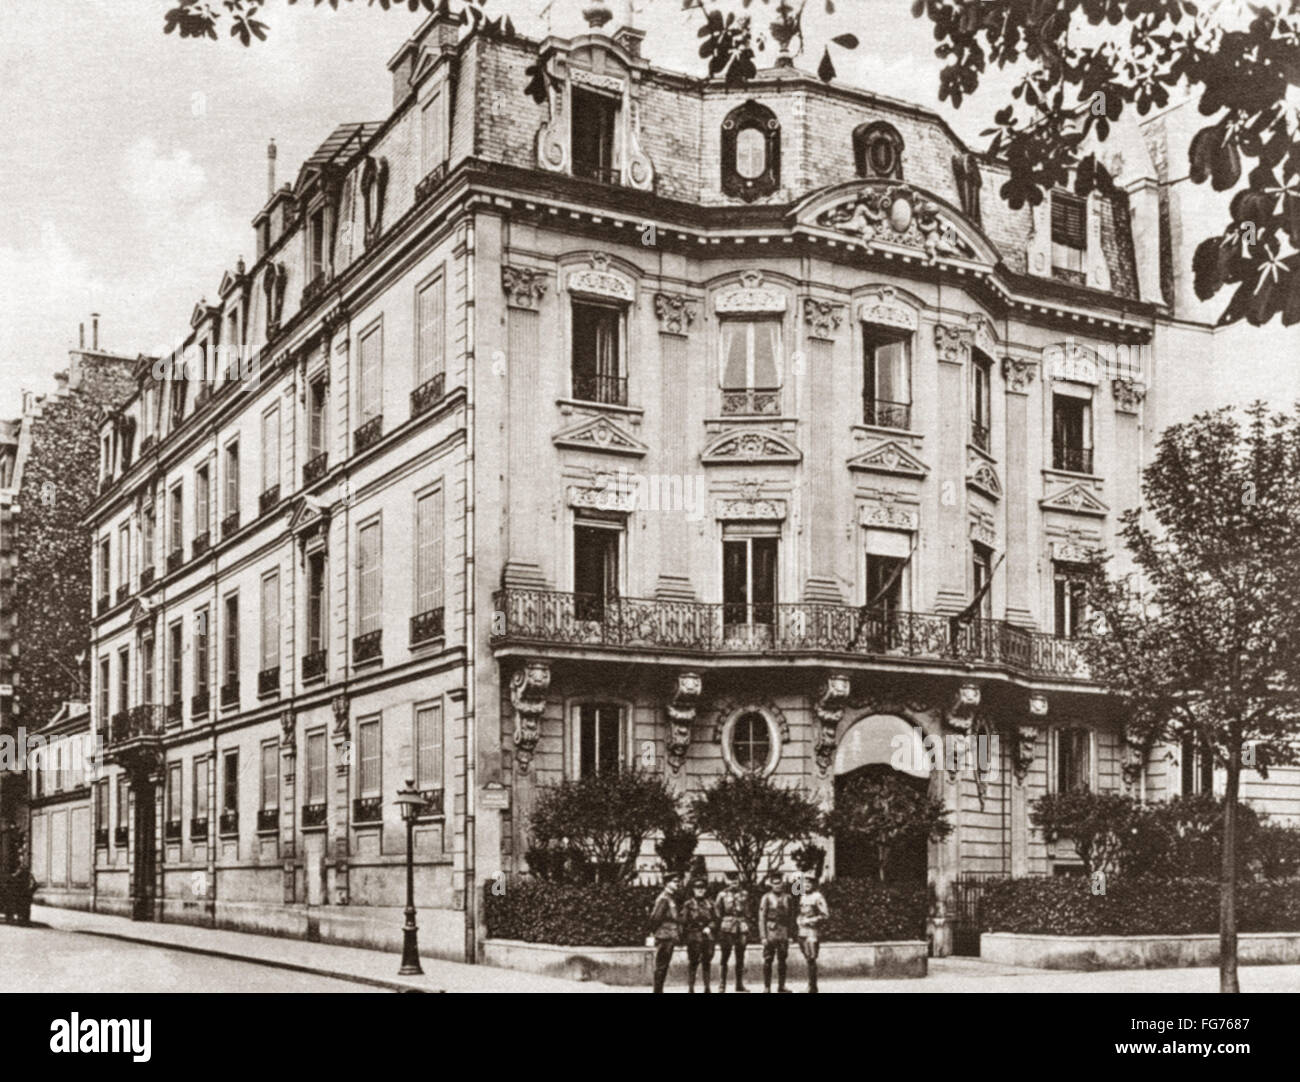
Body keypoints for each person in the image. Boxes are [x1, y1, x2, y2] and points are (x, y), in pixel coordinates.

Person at [758, 872, 795, 993]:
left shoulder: (788, 897)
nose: (778, 886)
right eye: (775, 883)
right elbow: (762, 917)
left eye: (780, 883)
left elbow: (791, 917)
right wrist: (763, 936)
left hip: (783, 931)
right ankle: (767, 987)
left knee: (782, 960)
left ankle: (781, 986)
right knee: (768, 959)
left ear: (783, 883)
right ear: (771, 884)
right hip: (770, 931)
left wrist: (790, 935)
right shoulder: (766, 897)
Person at [679, 877, 717, 992]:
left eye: (702, 888)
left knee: (707, 961)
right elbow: (683, 921)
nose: (700, 891)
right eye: (697, 888)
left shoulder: (710, 903)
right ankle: (691, 988)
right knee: (693, 962)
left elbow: (716, 919)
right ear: (693, 890)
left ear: (705, 890)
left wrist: (710, 927)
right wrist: (684, 936)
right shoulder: (688, 904)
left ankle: (707, 987)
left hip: (707, 936)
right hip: (694, 936)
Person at [715, 870, 750, 992]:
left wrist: (746, 924)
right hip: (727, 928)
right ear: (726, 881)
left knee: (740, 957)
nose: (734, 882)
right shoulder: (722, 895)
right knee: (725, 956)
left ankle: (739, 984)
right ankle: (722, 984)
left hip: (741, 927)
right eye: (731, 879)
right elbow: (718, 913)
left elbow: (748, 911)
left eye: (735, 879)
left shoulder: (744, 894)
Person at [647, 871, 682, 993]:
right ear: (667, 883)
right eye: (675, 881)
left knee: (663, 965)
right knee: (661, 966)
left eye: (678, 881)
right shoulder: (664, 898)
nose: (678, 884)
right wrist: (655, 933)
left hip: (669, 935)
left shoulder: (670, 897)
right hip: (664, 936)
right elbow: (656, 918)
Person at [796, 872, 830, 993]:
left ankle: (813, 987)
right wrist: (799, 920)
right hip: (802, 932)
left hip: (812, 932)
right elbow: (800, 912)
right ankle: (810, 985)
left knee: (811, 959)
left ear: (813, 884)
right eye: (805, 882)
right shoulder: (802, 896)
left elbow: (825, 915)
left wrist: (810, 920)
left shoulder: (818, 897)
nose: (807, 885)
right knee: (807, 958)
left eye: (810, 882)